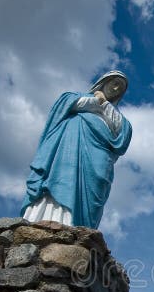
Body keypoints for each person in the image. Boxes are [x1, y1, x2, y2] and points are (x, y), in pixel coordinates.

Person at [21, 70, 133, 228]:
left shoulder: (119, 118)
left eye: (120, 89)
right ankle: (49, 221)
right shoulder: (74, 96)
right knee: (61, 178)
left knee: (94, 188)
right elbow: (64, 106)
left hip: (99, 156)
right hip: (69, 148)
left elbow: (123, 134)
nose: (116, 89)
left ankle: (80, 229)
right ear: (105, 82)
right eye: (115, 84)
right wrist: (96, 102)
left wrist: (105, 105)